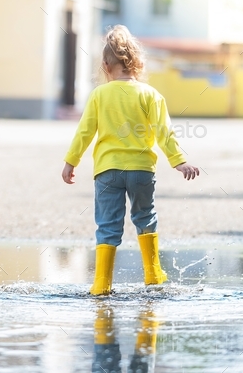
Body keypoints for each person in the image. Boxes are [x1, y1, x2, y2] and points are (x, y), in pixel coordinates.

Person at [61, 25, 199, 295]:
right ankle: (153, 274)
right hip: (141, 171)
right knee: (145, 216)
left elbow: (85, 132)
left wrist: (71, 161)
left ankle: (102, 283)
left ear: (105, 65)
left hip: (107, 171)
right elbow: (164, 133)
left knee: (108, 225)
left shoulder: (99, 95)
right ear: (137, 64)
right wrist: (178, 161)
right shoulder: (150, 95)